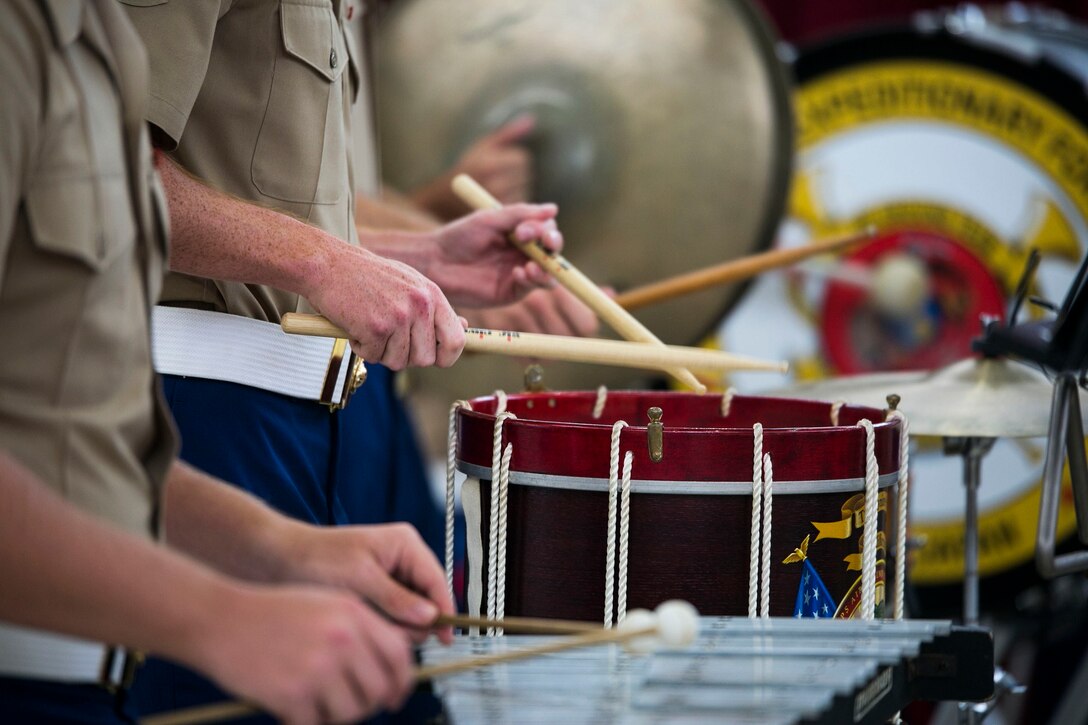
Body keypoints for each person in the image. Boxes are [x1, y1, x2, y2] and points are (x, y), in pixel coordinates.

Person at [0, 1, 456, 722]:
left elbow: (61, 452)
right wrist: (217, 615)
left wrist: (277, 550)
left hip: (145, 554)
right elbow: (144, 186)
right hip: (60, 636)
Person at [116, 0, 569, 719]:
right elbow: (104, 177)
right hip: (203, 418)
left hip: (307, 420)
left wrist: (424, 256)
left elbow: (266, 200)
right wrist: (325, 260)